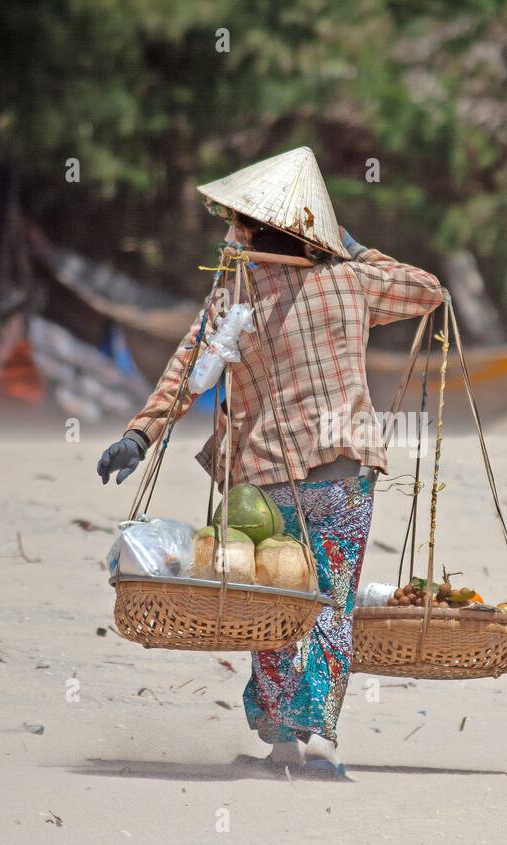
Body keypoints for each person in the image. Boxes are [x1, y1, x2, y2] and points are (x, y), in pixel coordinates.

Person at [96, 147, 444, 774]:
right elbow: (428, 290)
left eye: (238, 224)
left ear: (263, 230)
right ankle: (318, 741)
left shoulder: (238, 291)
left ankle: (286, 741)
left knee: (274, 605)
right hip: (341, 480)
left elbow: (188, 370)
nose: (230, 234)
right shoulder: (352, 280)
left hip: (265, 483)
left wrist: (140, 435)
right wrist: (359, 252)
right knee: (329, 605)